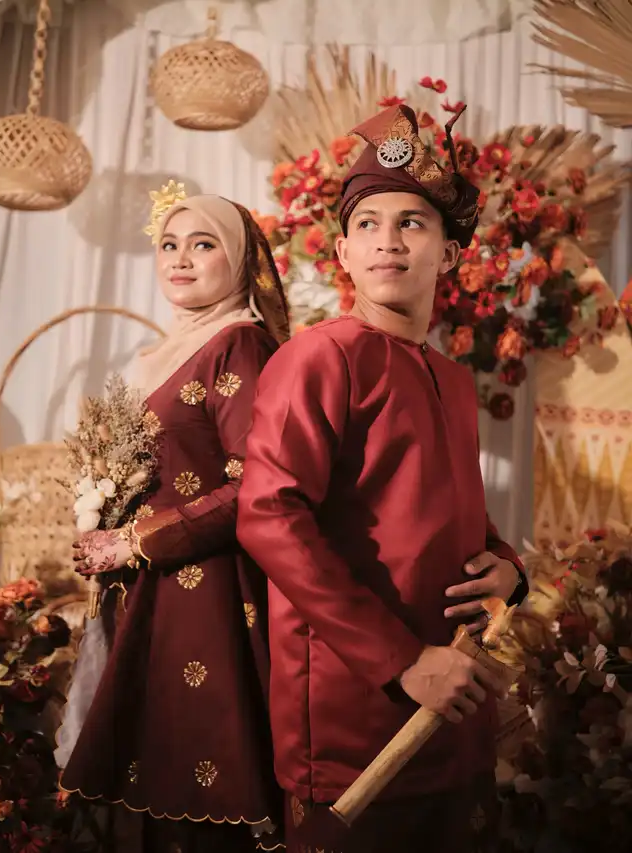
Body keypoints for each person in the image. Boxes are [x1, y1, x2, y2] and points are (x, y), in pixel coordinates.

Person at [236, 104, 529, 853]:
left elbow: (457, 513)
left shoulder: (450, 378)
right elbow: (268, 517)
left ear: (449, 252)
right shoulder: (319, 357)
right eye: (367, 224)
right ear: (342, 251)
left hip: (455, 700)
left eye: (411, 223)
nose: (387, 240)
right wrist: (403, 662)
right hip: (355, 719)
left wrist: (509, 568)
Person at [59, 189, 290, 853]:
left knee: (199, 800)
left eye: (203, 244)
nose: (180, 259)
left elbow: (257, 488)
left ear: (240, 261)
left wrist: (134, 540)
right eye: (169, 245)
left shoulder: (239, 345)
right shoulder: (171, 350)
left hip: (210, 599)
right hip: (157, 595)